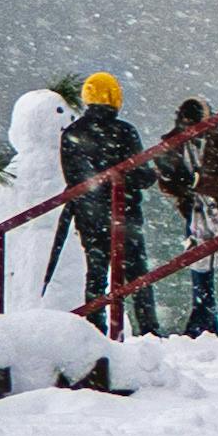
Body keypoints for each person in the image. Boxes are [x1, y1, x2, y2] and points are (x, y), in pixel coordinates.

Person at [64, 74, 152, 335]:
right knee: (136, 275)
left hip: (88, 215)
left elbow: (72, 178)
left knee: (96, 273)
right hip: (124, 214)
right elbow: (142, 175)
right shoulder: (124, 131)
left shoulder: (72, 133)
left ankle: (95, 328)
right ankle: (148, 329)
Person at [0, 89, 72, 310]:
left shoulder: (14, 168)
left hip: (36, 241)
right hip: (46, 240)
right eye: (59, 112)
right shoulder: (69, 163)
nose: (67, 119)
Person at [162, 99, 218, 332]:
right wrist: (174, 180)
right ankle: (217, 322)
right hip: (198, 213)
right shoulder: (176, 144)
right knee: (207, 274)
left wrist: (197, 183)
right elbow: (169, 182)